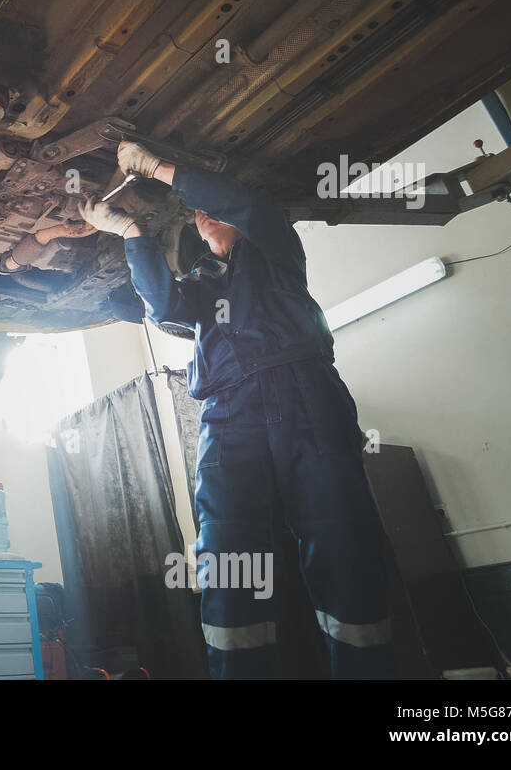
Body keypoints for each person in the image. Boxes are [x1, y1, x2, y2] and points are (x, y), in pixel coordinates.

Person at [78, 142, 394, 680]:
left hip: (305, 398)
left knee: (342, 541)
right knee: (227, 559)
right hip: (228, 417)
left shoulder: (275, 253)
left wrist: (154, 168)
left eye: (211, 211)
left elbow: (247, 205)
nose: (204, 217)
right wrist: (131, 234)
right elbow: (164, 307)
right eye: (200, 217)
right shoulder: (202, 288)